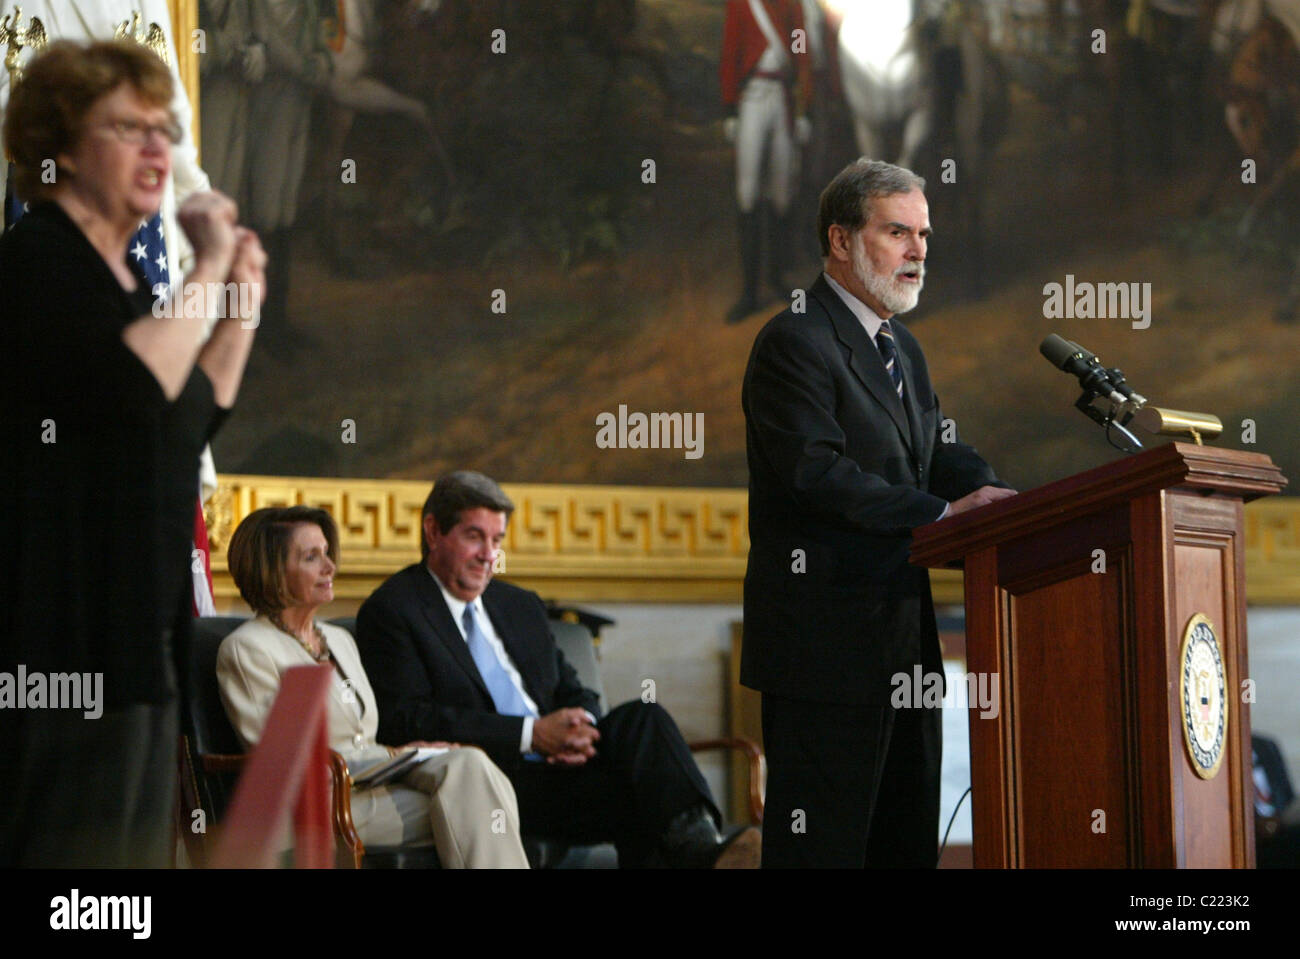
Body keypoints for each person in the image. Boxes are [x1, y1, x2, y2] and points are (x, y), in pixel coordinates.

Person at [0, 39, 263, 867]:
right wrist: (211, 264)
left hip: (137, 655)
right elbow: (125, 386)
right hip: (57, 661)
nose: (159, 149)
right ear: (60, 148)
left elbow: (180, 424)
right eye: (128, 127)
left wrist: (241, 309)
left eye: (163, 128)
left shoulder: (133, 292)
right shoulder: (34, 262)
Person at [740, 158, 1016, 868]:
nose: (919, 249)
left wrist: (994, 496)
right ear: (840, 239)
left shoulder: (904, 349)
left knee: (903, 848)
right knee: (826, 852)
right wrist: (942, 512)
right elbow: (816, 472)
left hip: (903, 646)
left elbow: (937, 451)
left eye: (924, 233)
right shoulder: (794, 341)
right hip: (825, 651)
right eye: (898, 231)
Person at [356, 471, 761, 868]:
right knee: (641, 801)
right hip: (496, 783)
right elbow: (408, 718)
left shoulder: (519, 605)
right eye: (474, 536)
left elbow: (572, 687)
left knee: (644, 718)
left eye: (496, 540)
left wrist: (576, 730)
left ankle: (702, 846)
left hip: (564, 771)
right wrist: (533, 736)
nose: (488, 555)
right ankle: (709, 860)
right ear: (433, 531)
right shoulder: (395, 609)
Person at [216, 506, 530, 868]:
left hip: (373, 787)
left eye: (327, 554)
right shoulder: (250, 649)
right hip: (316, 808)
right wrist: (395, 758)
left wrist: (403, 754)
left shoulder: (339, 639)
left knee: (471, 766)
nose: (330, 567)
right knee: (480, 799)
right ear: (270, 570)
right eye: (311, 557)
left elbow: (365, 740)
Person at [720, 0, 811, 324]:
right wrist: (730, 107)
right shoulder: (742, 3)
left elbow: (801, 47)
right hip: (752, 98)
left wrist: (805, 107)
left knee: (782, 192)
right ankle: (749, 292)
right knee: (747, 193)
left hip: (784, 99)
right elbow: (731, 50)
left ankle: (776, 279)